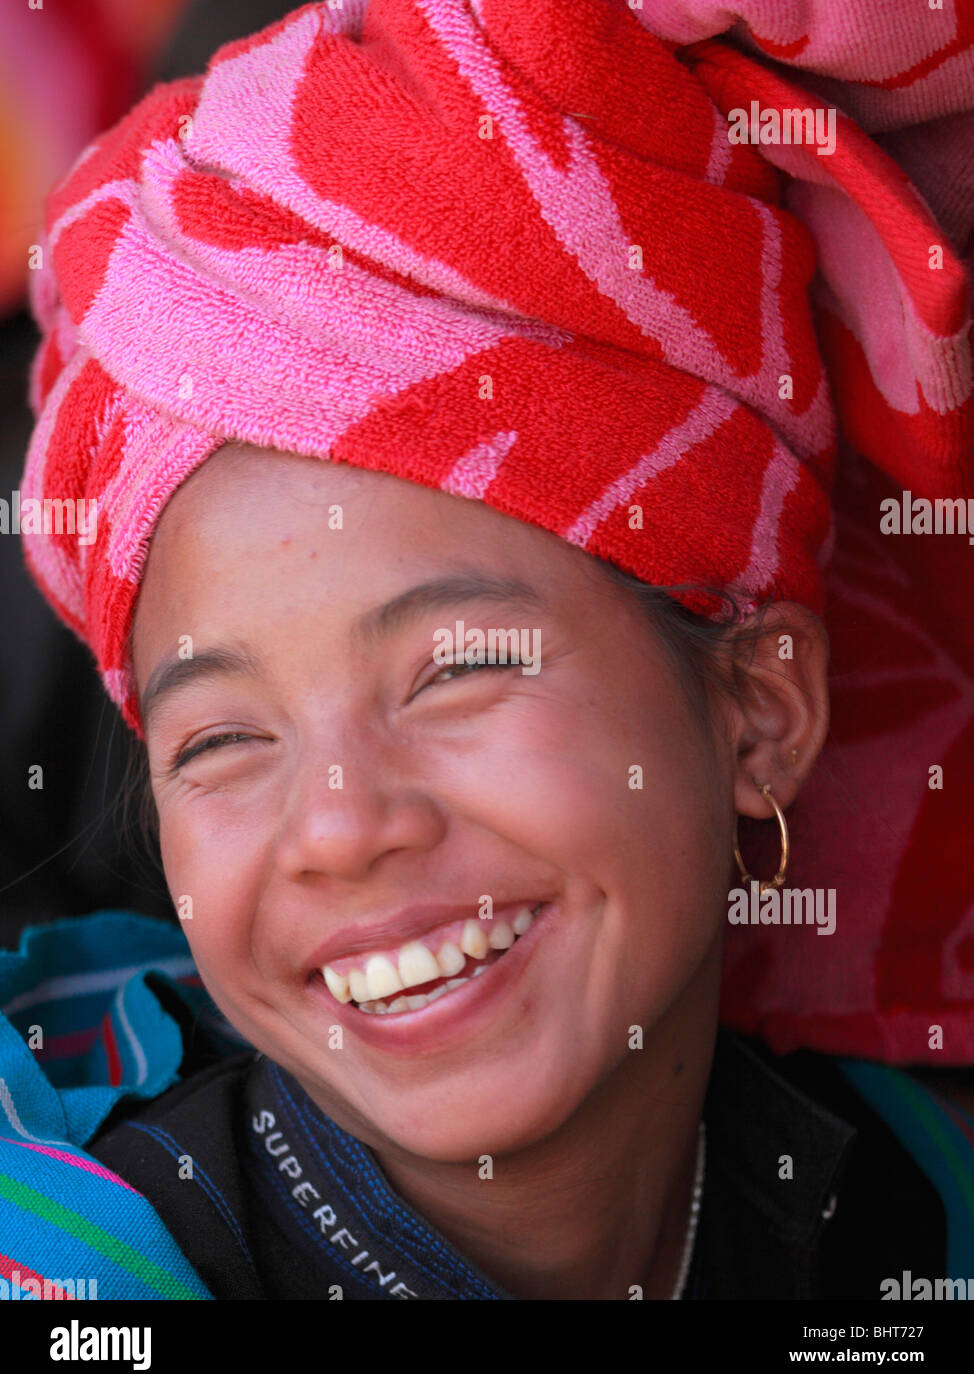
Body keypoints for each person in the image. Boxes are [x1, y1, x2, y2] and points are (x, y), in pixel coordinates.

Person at [3, 0, 973, 1301]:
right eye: (222, 737)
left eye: (455, 669)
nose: (340, 828)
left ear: (757, 706)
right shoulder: (82, 1287)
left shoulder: (919, 1208)